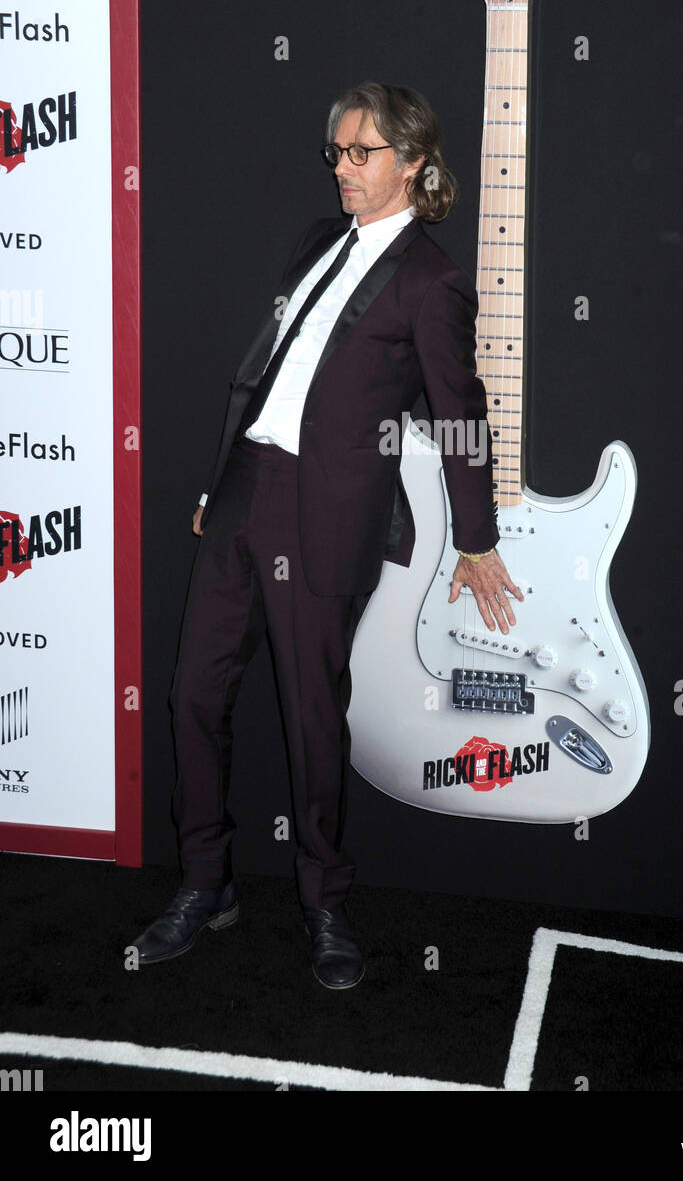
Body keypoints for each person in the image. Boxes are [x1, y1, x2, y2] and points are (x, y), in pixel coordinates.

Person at [131, 82, 523, 987]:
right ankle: (204, 883)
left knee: (311, 721)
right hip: (242, 495)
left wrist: (475, 536)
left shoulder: (431, 282)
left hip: (325, 516)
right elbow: (266, 373)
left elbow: (461, 412)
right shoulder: (317, 242)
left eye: (362, 153)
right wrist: (220, 483)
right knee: (191, 696)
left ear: (414, 163)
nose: (343, 168)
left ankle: (325, 905)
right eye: (337, 153)